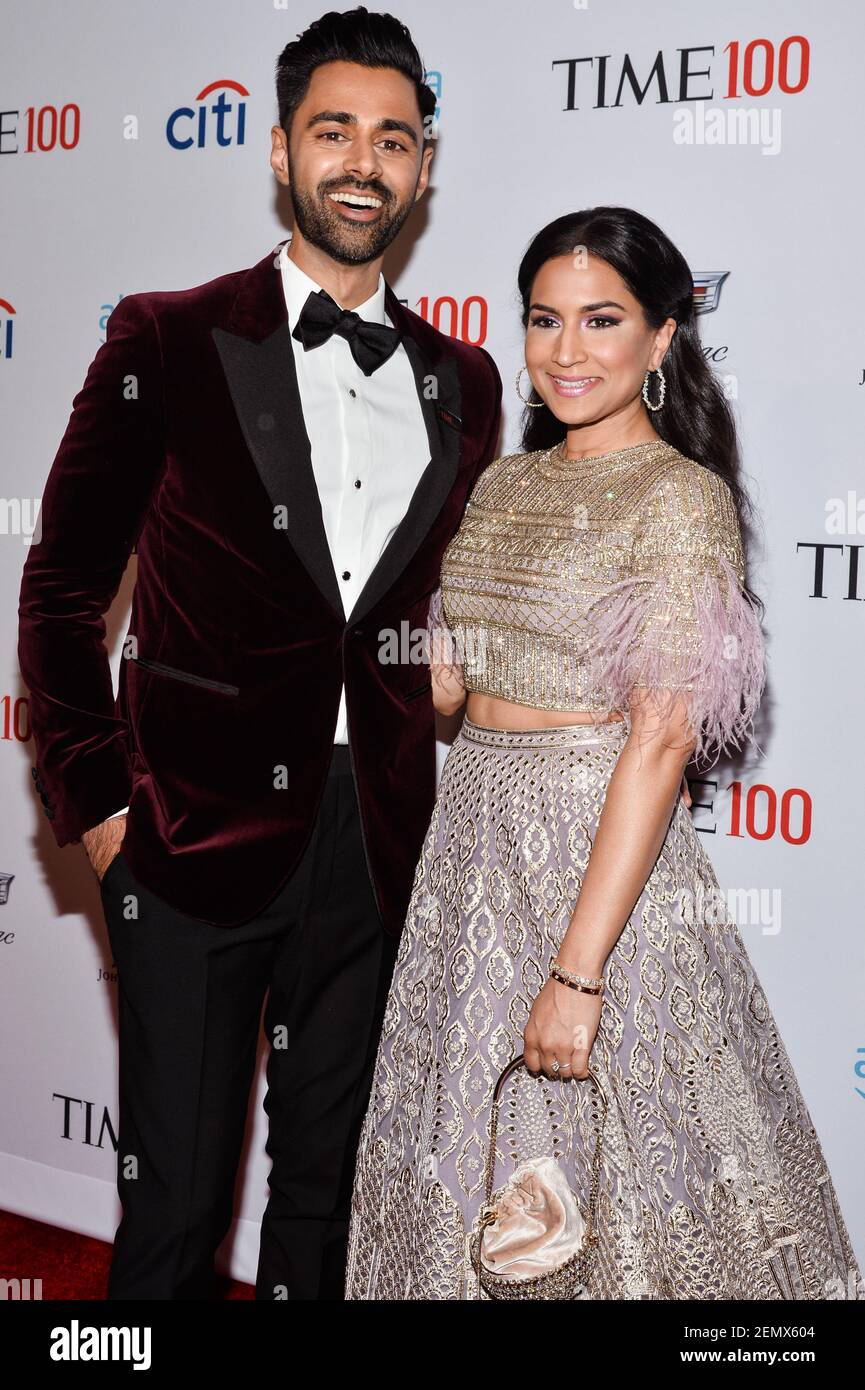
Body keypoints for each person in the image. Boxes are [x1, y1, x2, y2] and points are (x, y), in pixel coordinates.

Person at [17, 7, 502, 1300]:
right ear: (279, 151)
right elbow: (61, 589)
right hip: (190, 834)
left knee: (328, 1196)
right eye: (333, 130)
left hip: (374, 842)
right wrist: (105, 811)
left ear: (425, 165)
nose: (364, 161)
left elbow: (433, 611)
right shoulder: (168, 338)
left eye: (393, 137)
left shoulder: (468, 384)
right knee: (173, 1209)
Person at [344, 206, 863, 1300]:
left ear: (664, 337)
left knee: (622, 1186)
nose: (565, 351)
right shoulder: (500, 482)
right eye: (543, 320)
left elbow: (663, 737)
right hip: (470, 855)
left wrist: (578, 975)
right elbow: (444, 686)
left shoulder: (679, 499)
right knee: (466, 1164)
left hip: (599, 870)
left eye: (601, 320)